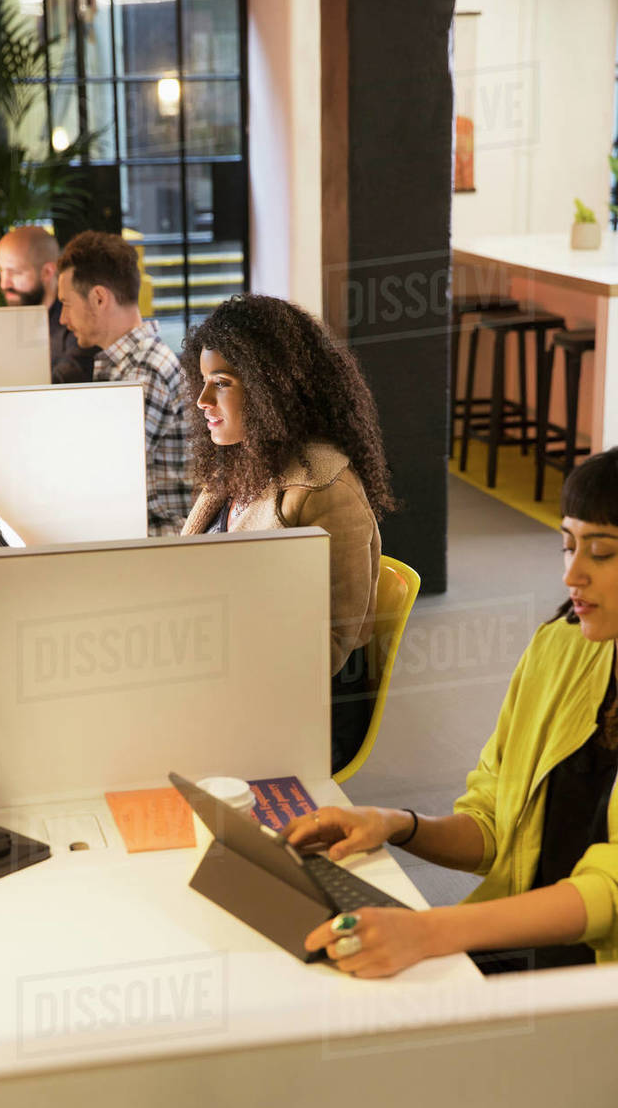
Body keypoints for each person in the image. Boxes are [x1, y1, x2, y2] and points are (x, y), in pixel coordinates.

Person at [285, 447, 618, 977]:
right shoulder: (563, 646)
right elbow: (494, 825)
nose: (571, 575)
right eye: (567, 546)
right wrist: (394, 824)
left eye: (600, 552)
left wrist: (428, 932)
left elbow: (610, 894)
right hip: (521, 941)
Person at [178, 294, 395, 772]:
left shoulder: (324, 488)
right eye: (203, 382)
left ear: (267, 388)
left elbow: (327, 650)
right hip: (229, 683)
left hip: (302, 715)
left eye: (221, 384)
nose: (202, 401)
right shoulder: (241, 464)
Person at [56, 230, 191, 537]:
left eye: (66, 303)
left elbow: (105, 474)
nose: (63, 319)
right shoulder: (125, 363)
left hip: (156, 544)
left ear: (99, 298)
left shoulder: (145, 369)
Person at [0, 226, 97, 384]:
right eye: (1, 270)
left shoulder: (74, 325)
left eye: (15, 272)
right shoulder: (4, 324)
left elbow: (59, 385)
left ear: (48, 272)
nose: (4, 284)